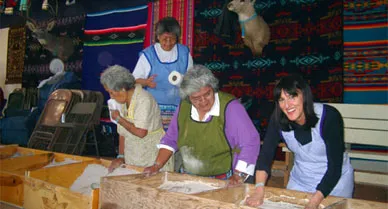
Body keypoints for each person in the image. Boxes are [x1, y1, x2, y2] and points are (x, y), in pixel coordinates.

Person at [246, 74, 354, 209]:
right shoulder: (278, 118)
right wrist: (259, 189)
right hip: (301, 180)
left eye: (292, 96)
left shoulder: (329, 117)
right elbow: (266, 155)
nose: (287, 105)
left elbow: (334, 168)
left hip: (335, 183)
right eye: (282, 100)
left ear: (304, 95)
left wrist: (313, 203)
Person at [143, 65, 260, 185]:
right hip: (189, 178)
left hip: (224, 179)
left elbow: (250, 142)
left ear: (213, 88)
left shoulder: (231, 107)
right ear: (188, 97)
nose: (203, 101)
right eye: (196, 98)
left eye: (207, 94)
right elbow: (171, 139)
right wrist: (157, 165)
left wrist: (238, 175)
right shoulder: (184, 107)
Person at [100, 65, 173, 172]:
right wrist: (120, 156)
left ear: (123, 89)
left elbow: (141, 132)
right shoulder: (122, 102)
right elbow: (123, 133)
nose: (111, 97)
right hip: (133, 156)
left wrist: (119, 119)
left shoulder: (144, 100)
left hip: (151, 156)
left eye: (111, 92)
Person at [132, 16, 193, 131]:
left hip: (179, 107)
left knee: (176, 141)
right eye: (165, 39)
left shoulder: (184, 53)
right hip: (155, 109)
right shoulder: (148, 55)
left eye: (173, 39)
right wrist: (146, 82)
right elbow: (133, 81)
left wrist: (184, 80)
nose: (169, 43)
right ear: (158, 36)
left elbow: (192, 78)